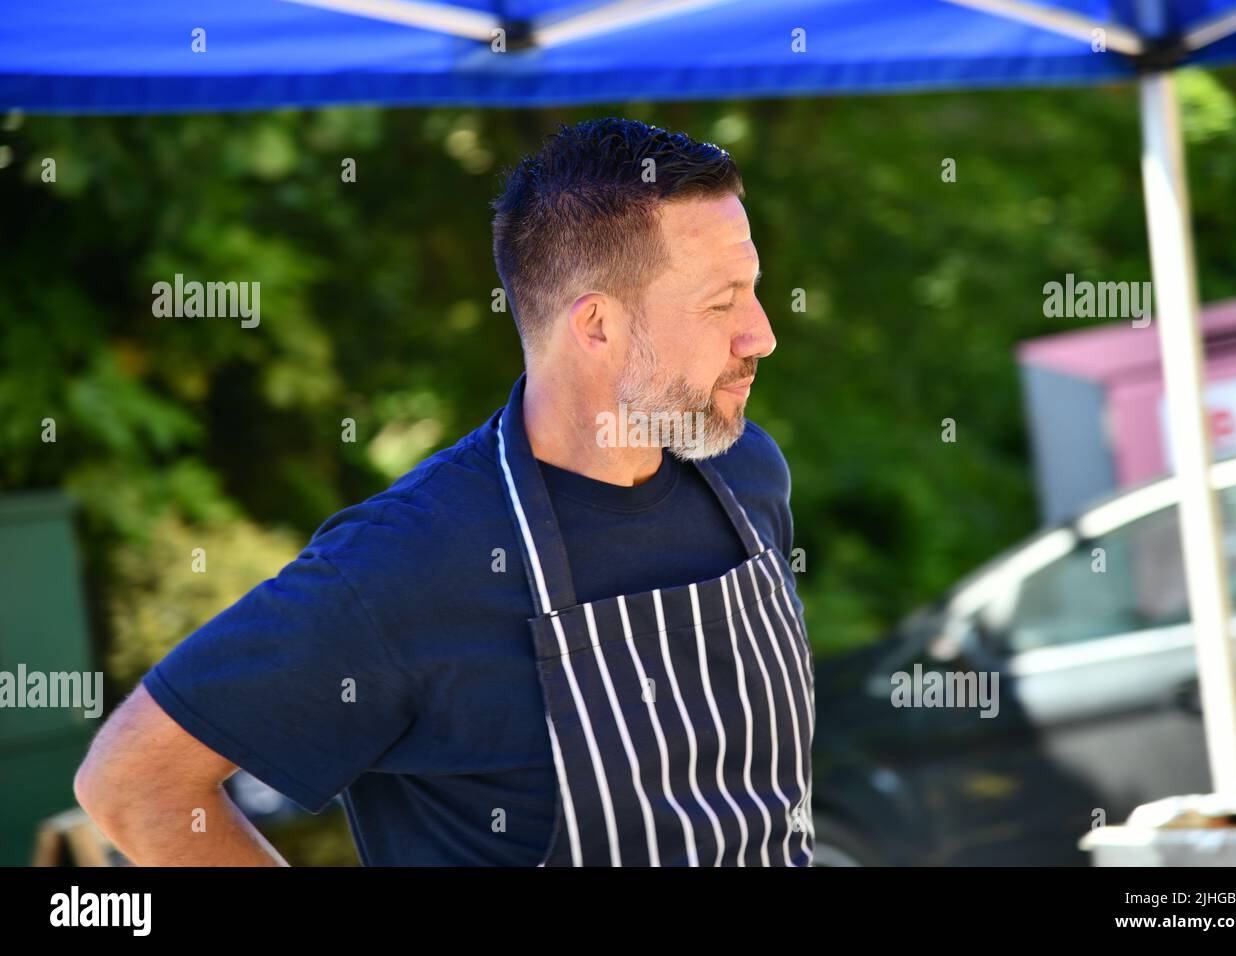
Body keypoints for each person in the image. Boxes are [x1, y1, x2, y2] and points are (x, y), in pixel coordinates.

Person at [75, 117, 816, 867]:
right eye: (721, 304)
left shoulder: (744, 474)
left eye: (752, 293)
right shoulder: (406, 565)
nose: (761, 334)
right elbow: (135, 782)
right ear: (596, 326)